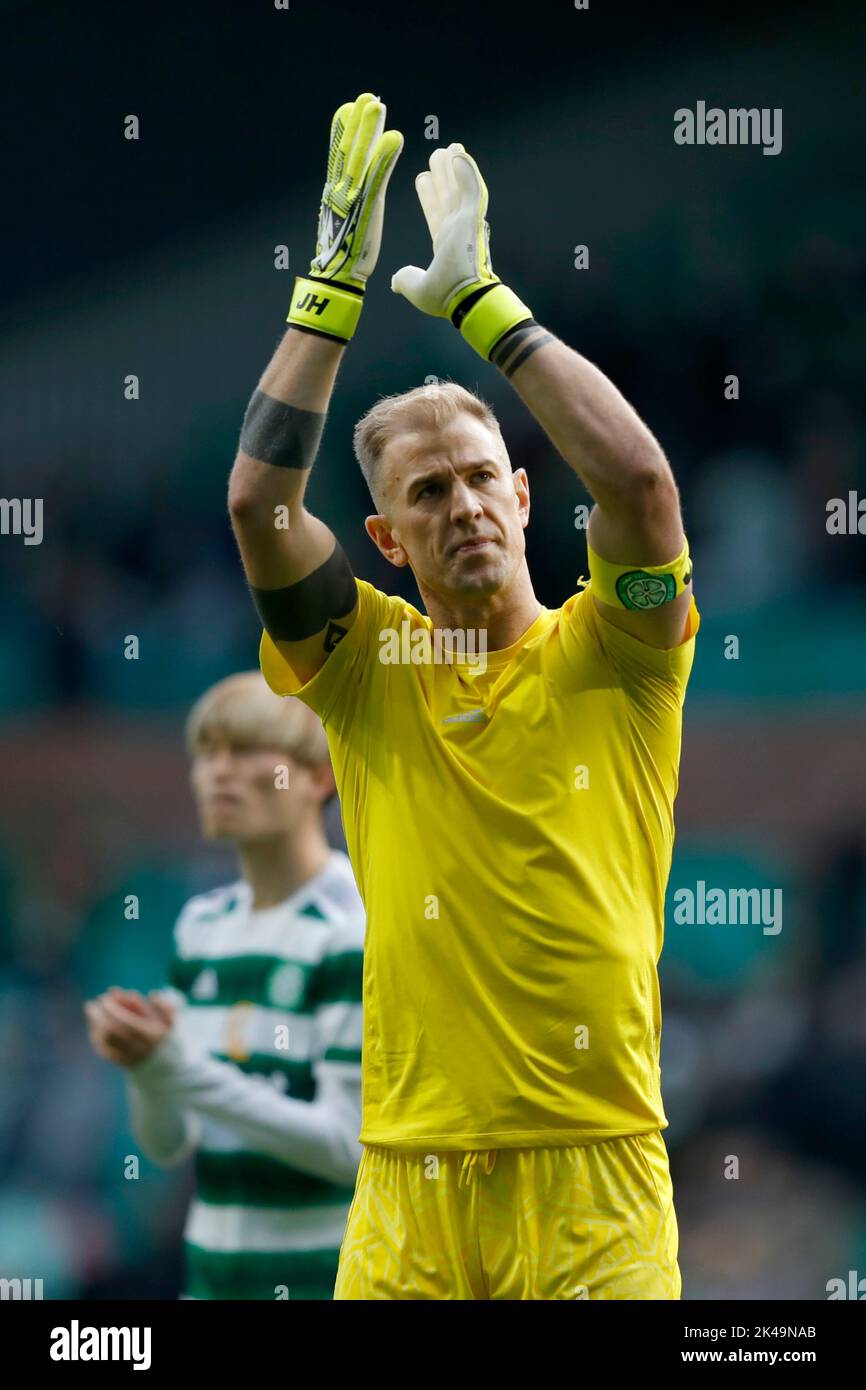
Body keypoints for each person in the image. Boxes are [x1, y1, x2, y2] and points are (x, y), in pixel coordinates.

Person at [228, 92, 700, 1300]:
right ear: (386, 537)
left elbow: (642, 481)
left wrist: (485, 308)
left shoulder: (618, 653)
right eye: (429, 494)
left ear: (527, 498)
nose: (465, 507)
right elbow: (258, 510)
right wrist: (329, 288)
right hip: (408, 1187)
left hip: (593, 1183)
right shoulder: (367, 666)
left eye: (484, 480)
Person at [84, 672, 365, 1300]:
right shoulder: (202, 927)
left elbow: (348, 1146)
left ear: (317, 776)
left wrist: (175, 1067)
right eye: (207, 754)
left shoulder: (353, 930)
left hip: (326, 1283)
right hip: (211, 1282)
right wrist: (147, 1069)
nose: (217, 772)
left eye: (243, 751)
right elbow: (167, 1143)